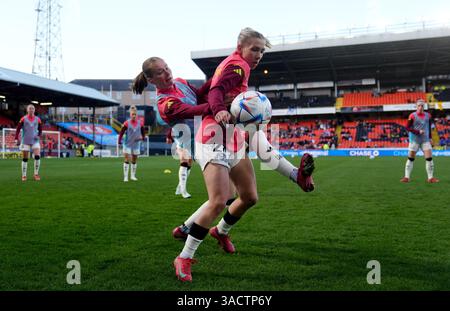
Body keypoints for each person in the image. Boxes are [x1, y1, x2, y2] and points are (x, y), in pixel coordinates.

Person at [401, 99, 439, 183]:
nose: (421, 107)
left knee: (429, 158)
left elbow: (428, 127)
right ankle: (406, 177)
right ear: (416, 106)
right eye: (419, 105)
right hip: (414, 140)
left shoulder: (428, 115)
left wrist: (430, 138)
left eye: (422, 105)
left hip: (425, 140)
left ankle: (430, 178)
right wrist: (418, 132)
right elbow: (407, 127)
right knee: (411, 158)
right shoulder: (412, 116)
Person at [14, 104, 42, 181]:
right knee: (25, 158)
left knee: (37, 156)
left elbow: (40, 130)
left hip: (35, 141)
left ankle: (36, 174)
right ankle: (24, 175)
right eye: (30, 108)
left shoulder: (38, 119)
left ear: (34, 110)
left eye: (32, 108)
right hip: (25, 141)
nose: (31, 110)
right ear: (27, 110)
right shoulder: (23, 119)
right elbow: (18, 129)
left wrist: (39, 136)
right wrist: (16, 138)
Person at [118, 106, 145, 182]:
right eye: (132, 114)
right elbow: (121, 133)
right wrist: (119, 141)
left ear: (137, 115)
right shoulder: (126, 123)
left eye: (135, 114)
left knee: (134, 160)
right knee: (126, 159)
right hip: (127, 144)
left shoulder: (140, 123)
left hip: (136, 144)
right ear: (130, 115)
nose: (134, 116)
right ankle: (125, 177)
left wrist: (142, 138)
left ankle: (133, 176)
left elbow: (143, 133)